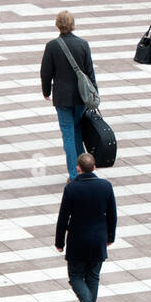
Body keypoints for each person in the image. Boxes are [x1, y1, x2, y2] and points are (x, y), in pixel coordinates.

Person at [55, 153, 117, 302]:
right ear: (95, 167)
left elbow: (63, 216)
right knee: (93, 276)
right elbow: (112, 214)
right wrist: (110, 237)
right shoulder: (105, 186)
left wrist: (59, 241)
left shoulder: (72, 188)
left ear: (78, 168)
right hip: (98, 239)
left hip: (77, 239)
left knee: (75, 277)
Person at [40, 10, 96, 179]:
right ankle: (84, 169)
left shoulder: (52, 46)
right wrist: (94, 94)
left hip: (62, 97)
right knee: (77, 130)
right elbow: (90, 72)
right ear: (72, 24)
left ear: (57, 25)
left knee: (68, 134)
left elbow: (45, 72)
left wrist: (46, 91)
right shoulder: (83, 44)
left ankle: (74, 173)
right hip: (81, 96)